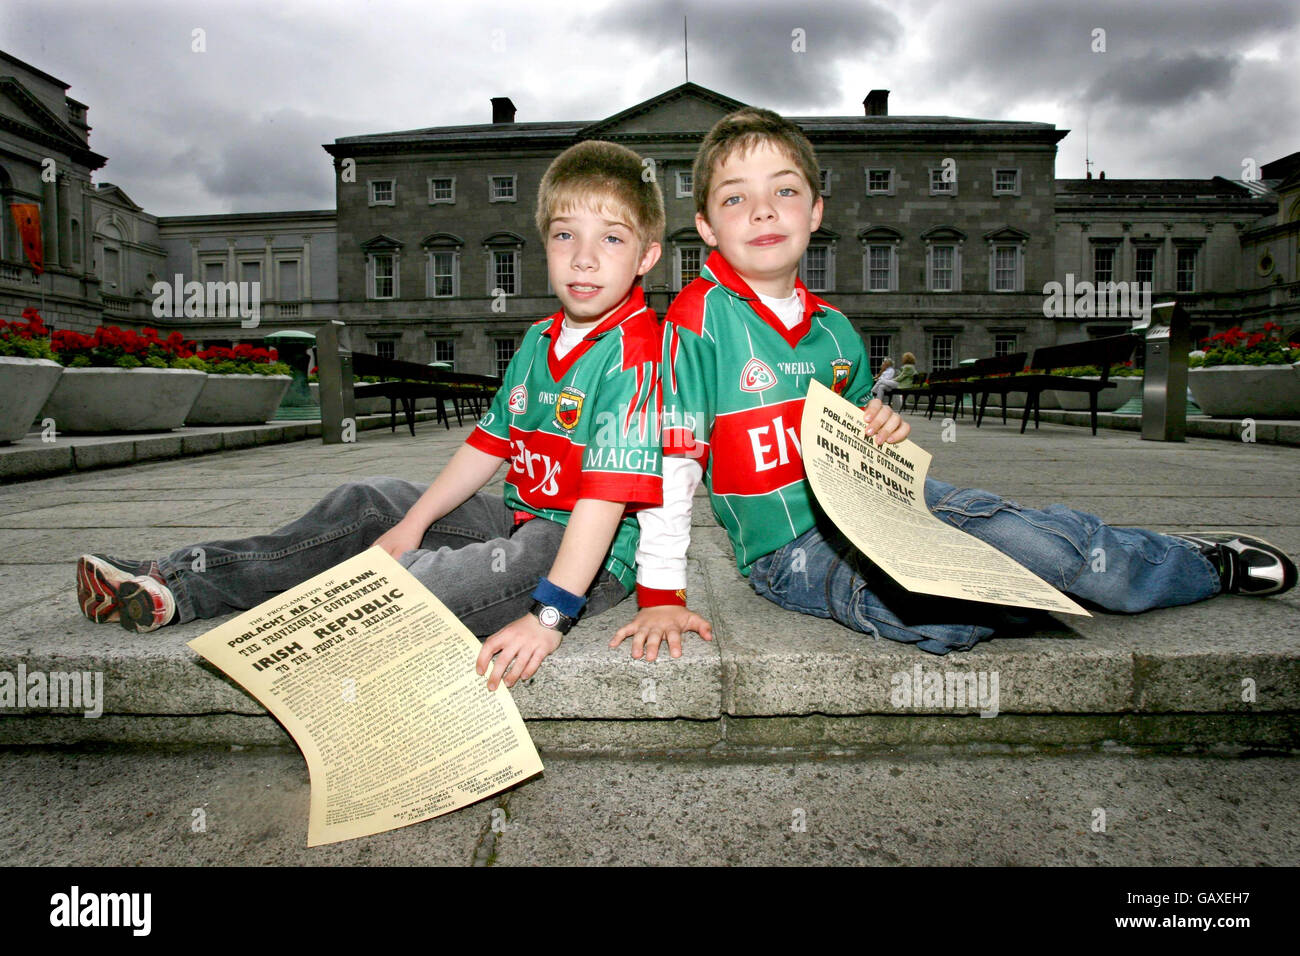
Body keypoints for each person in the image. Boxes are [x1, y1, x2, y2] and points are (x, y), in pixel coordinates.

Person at [613, 107, 1296, 661]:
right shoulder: (697, 320)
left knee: (1058, 554)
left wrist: (878, 427)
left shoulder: (836, 331)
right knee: (931, 612)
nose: (763, 212)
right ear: (704, 227)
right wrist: (662, 593)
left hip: (894, 508)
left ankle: (1203, 565)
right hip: (787, 551)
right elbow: (673, 464)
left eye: (783, 190)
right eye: (737, 199)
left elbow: (855, 429)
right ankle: (1017, 586)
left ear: (815, 212)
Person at [77, 139, 667, 690]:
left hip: (590, 554)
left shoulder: (638, 353)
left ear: (646, 256)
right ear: (545, 244)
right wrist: (410, 523)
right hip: (521, 517)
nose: (584, 259)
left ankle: (274, 637)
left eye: (611, 240)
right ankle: (175, 583)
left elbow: (605, 499)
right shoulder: (539, 339)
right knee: (368, 502)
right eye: (566, 235)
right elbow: (487, 448)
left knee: (404, 585)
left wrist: (550, 615)